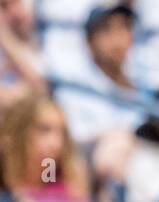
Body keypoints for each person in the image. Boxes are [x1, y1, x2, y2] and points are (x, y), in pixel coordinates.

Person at [0, 92, 99, 202]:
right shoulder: (5, 197)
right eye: (44, 130)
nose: (56, 143)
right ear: (17, 133)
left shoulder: (72, 194)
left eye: (62, 133)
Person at [53, 3, 146, 146]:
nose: (118, 38)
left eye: (125, 27)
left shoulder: (143, 80)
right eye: (107, 29)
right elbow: (76, 139)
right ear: (89, 40)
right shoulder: (75, 86)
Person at [0, 0, 45, 113]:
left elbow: (40, 87)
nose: (15, 13)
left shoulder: (47, 40)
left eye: (17, 3)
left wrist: (5, 37)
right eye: (4, 6)